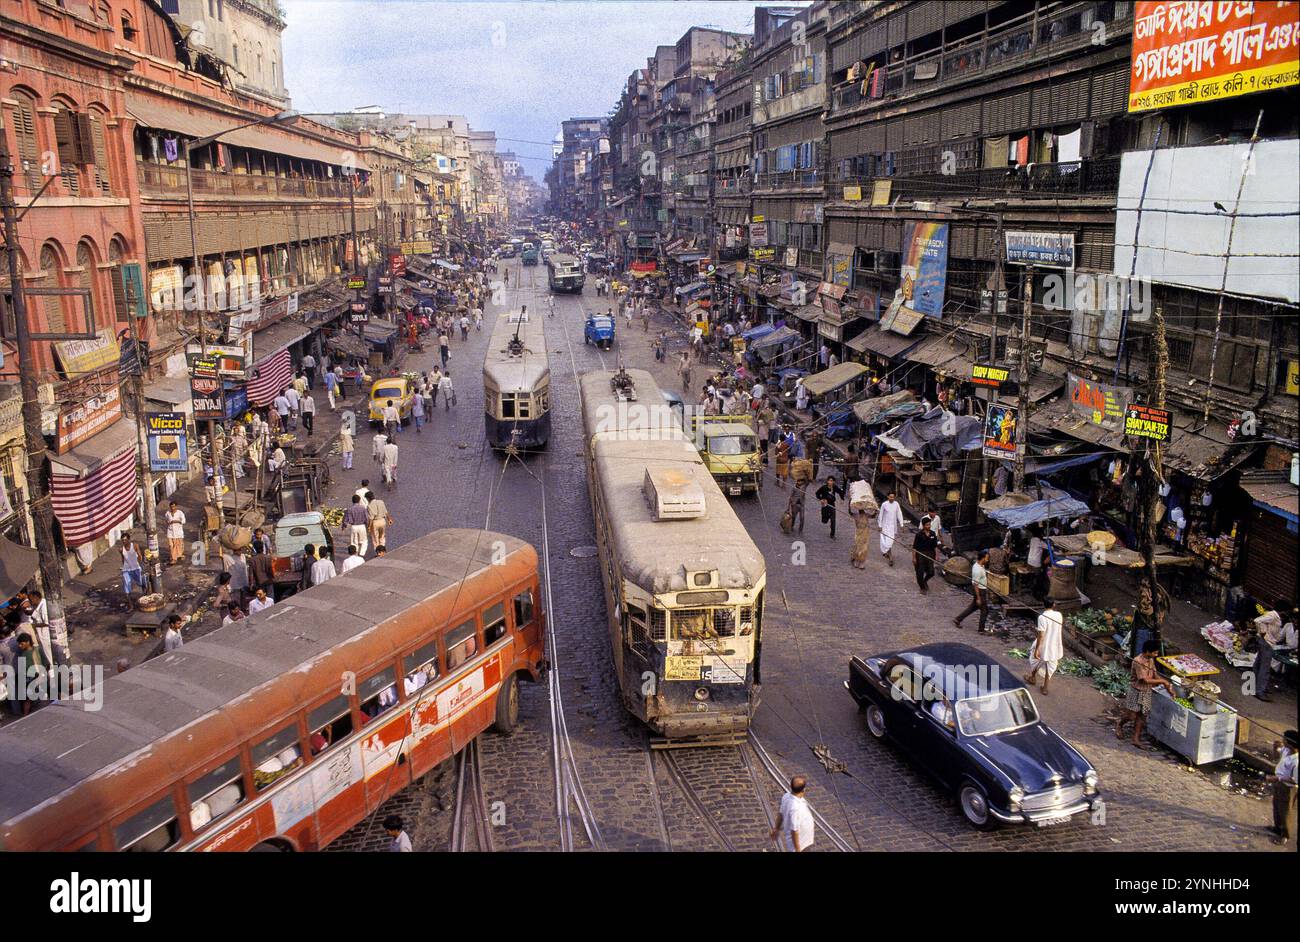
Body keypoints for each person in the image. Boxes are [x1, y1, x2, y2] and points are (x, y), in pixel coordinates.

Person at [1114, 639, 1174, 748]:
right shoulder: (1138, 661)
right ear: (1147, 651)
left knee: (1142, 716)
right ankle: (1119, 723)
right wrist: (1163, 681)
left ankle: (1135, 739)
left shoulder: (1150, 660)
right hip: (1136, 690)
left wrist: (1167, 686)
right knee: (1131, 715)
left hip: (1146, 691)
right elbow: (1145, 680)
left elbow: (1155, 675)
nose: (1156, 655)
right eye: (1154, 652)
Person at [1025, 598, 1064, 694]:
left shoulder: (1042, 617)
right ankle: (1045, 687)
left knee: (1035, 659)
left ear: (1043, 605)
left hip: (1045, 644)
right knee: (1051, 664)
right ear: (1054, 605)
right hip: (1055, 644)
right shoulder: (1059, 615)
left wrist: (1037, 649)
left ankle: (1033, 677)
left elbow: (1041, 635)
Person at [1266, 730, 1298, 846]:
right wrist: (1275, 748)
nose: (1282, 740)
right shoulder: (1286, 750)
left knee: (1285, 811)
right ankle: (1277, 828)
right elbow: (1276, 757)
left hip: (1288, 788)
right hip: (1279, 784)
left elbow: (1295, 781)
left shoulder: (1296, 761)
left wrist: (1277, 779)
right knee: (1277, 806)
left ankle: (1285, 835)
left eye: (1284, 739)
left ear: (1290, 743)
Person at [769, 775, 815, 852]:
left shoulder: (786, 796)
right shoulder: (795, 808)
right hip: (801, 844)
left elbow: (781, 814)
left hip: (805, 841)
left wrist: (776, 828)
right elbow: (794, 831)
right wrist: (797, 849)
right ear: (803, 790)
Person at [955, 550, 991, 633]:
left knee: (973, 607)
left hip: (982, 590)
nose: (987, 560)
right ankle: (981, 630)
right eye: (986, 558)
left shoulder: (980, 565)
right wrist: (978, 598)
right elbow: (975, 585)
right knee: (984, 610)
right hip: (980, 591)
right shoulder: (977, 570)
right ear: (982, 558)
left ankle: (958, 619)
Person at [877, 492, 904, 567]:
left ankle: (888, 553)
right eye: (890, 497)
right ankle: (890, 557)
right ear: (887, 496)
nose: (891, 498)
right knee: (886, 541)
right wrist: (880, 525)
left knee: (890, 541)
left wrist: (901, 524)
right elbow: (881, 515)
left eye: (893, 497)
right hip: (885, 526)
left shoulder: (896, 504)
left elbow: (899, 514)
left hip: (893, 526)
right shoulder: (884, 505)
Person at [912, 517, 938, 591]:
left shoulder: (933, 534)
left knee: (931, 572)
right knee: (920, 572)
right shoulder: (919, 535)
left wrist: (936, 555)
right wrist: (914, 558)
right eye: (927, 525)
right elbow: (914, 547)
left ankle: (925, 580)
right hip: (920, 554)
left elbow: (935, 546)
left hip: (930, 554)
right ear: (923, 526)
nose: (928, 526)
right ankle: (922, 587)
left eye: (929, 525)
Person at [164, 501, 186, 565]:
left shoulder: (180, 513)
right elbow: (166, 520)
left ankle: (178, 555)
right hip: (170, 531)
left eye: (174, 506)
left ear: (176, 506)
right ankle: (174, 558)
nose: (173, 508)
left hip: (178, 531)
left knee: (178, 544)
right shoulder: (167, 513)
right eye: (171, 507)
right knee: (171, 545)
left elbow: (184, 521)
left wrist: (177, 521)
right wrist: (169, 522)